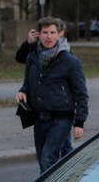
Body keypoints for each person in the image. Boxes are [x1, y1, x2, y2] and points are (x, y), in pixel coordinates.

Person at [16, 16, 88, 172]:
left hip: (61, 117)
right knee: (43, 159)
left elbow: (81, 93)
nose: (49, 36)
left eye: (52, 32)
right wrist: (23, 91)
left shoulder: (70, 60)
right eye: (45, 32)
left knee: (48, 158)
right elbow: (28, 81)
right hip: (39, 116)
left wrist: (79, 122)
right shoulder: (33, 57)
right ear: (38, 34)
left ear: (59, 34)